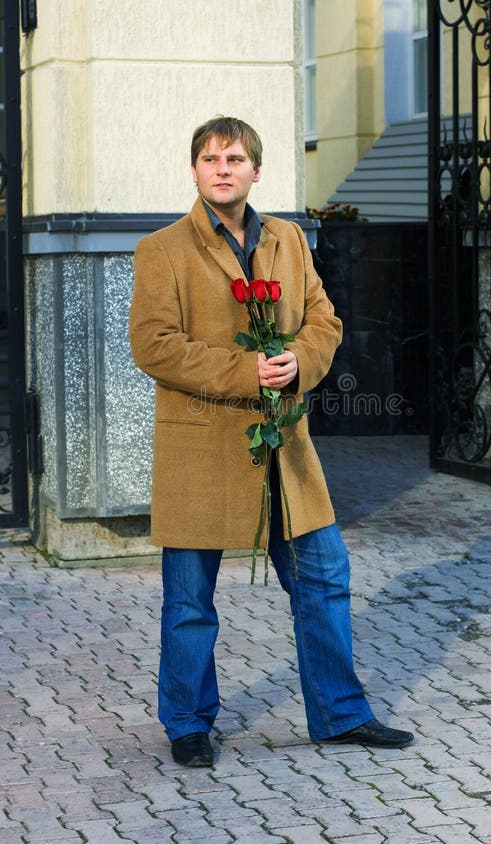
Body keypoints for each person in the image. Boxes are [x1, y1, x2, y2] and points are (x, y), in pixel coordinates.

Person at [129, 116, 414, 768]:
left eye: (235, 158)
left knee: (324, 574)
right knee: (189, 600)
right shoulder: (163, 249)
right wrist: (243, 372)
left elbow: (324, 319)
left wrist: (296, 359)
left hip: (284, 449)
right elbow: (153, 343)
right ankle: (188, 723)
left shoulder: (288, 240)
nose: (222, 168)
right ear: (195, 170)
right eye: (210, 158)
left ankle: (340, 713)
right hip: (201, 449)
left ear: (256, 170)